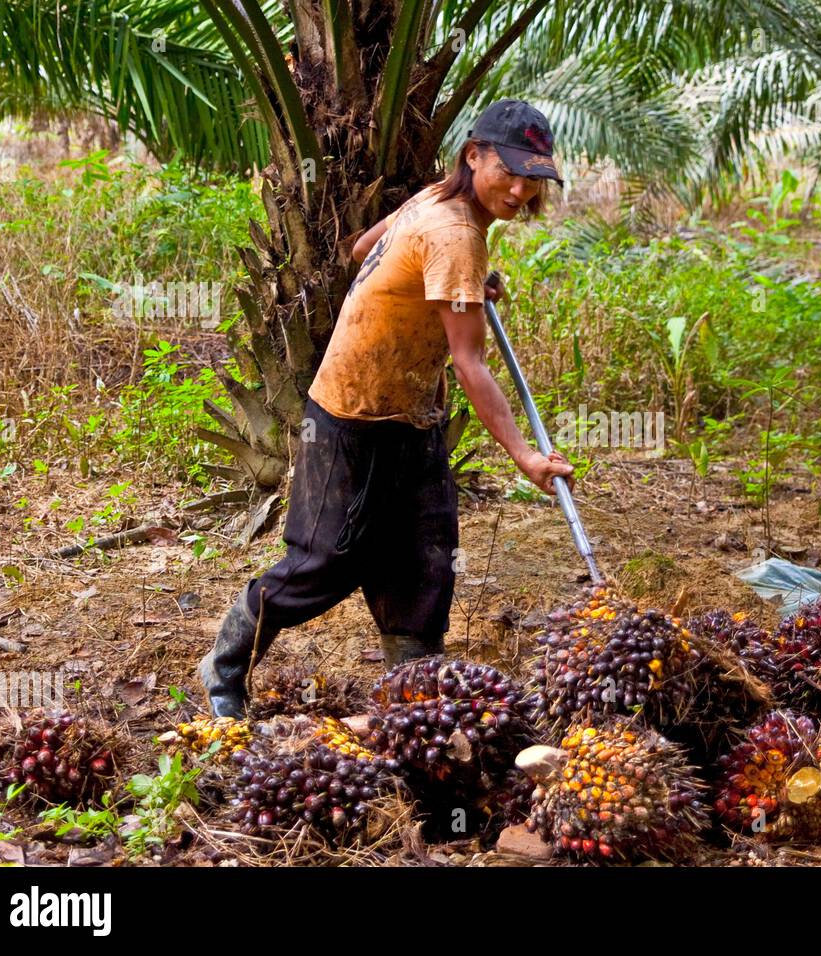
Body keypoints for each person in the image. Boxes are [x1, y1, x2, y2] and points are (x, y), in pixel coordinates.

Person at [199, 100, 574, 719]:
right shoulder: (456, 233)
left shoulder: (437, 201)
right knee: (324, 561)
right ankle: (226, 662)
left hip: (412, 417)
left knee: (423, 558)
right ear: (473, 155)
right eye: (508, 169)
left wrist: (453, 283)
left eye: (533, 177)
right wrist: (527, 457)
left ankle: (413, 702)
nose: (519, 188)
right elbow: (470, 364)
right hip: (353, 417)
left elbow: (360, 249)